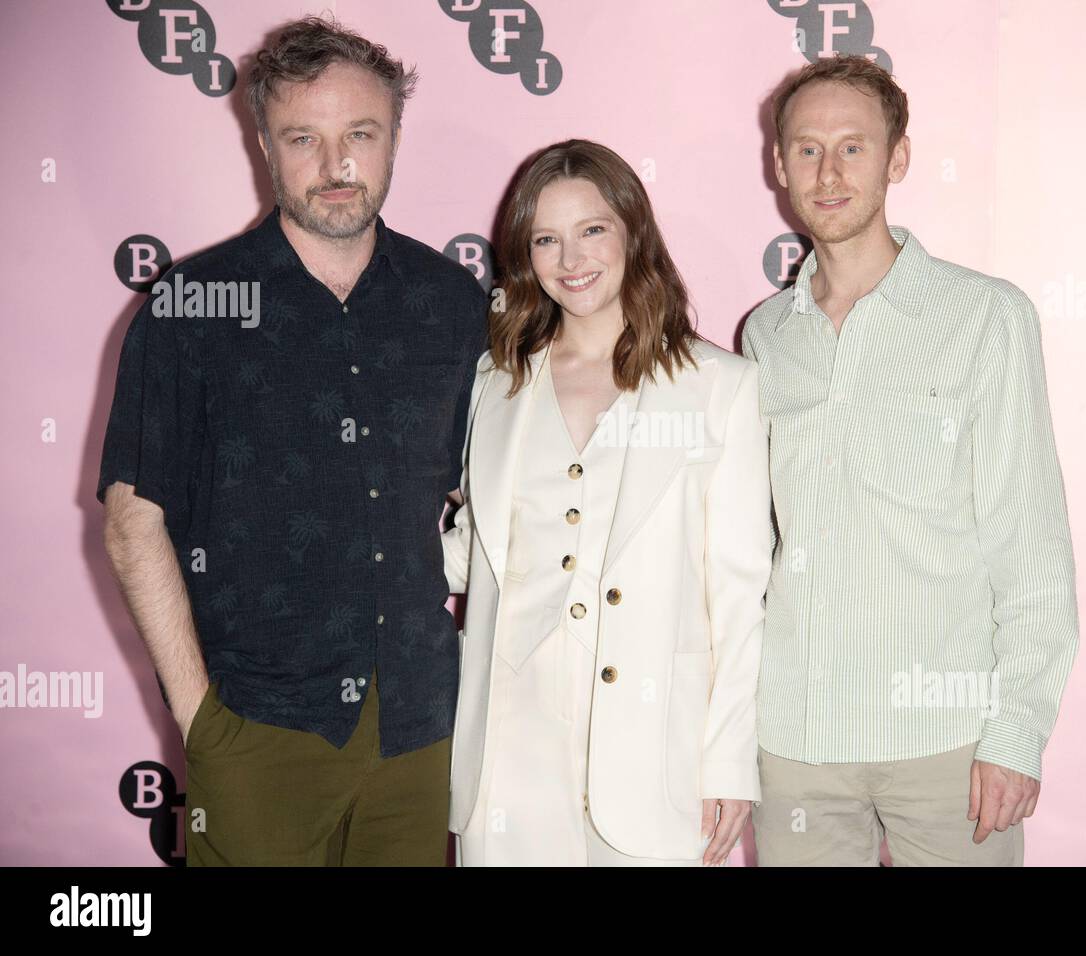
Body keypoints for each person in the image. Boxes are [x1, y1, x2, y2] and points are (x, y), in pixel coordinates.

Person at [97, 14, 486, 865]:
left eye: (360, 134)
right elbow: (133, 523)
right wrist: (202, 719)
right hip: (256, 728)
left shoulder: (454, 305)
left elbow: (487, 495)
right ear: (264, 147)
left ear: (392, 141)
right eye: (303, 138)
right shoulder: (189, 307)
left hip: (422, 730)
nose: (336, 164)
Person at [742, 55, 1080, 866]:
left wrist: (1015, 733)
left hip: (950, 741)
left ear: (897, 159)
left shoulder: (985, 318)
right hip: (796, 738)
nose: (828, 173)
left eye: (853, 148)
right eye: (807, 148)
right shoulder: (763, 337)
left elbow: (1029, 542)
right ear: (778, 163)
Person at [442, 139, 769, 866]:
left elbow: (740, 595)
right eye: (546, 240)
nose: (571, 259)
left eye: (591, 230)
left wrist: (728, 763)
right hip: (509, 750)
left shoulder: (720, 387)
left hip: (654, 753)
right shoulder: (496, 383)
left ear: (631, 232)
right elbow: (470, 549)